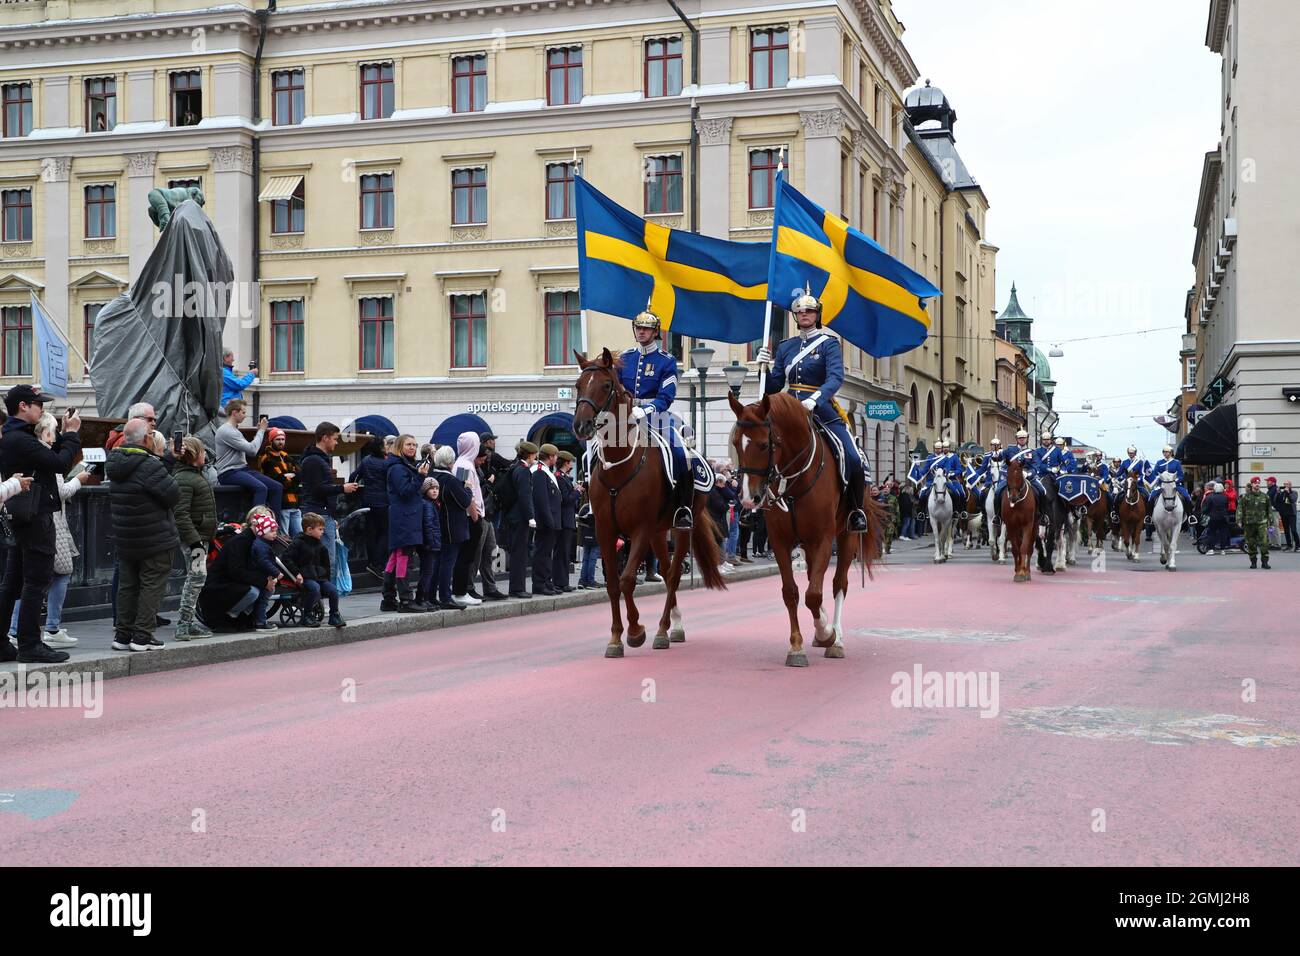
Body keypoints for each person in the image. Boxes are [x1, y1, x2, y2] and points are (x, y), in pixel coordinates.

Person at [756, 288, 869, 532]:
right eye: (800, 311)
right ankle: (755, 504)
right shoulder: (786, 347)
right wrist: (763, 368)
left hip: (821, 409)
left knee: (852, 456)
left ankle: (855, 510)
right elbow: (775, 385)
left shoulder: (829, 344)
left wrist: (814, 400)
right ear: (795, 316)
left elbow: (835, 378)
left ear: (817, 315)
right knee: (758, 445)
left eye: (809, 311)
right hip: (787, 408)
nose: (804, 314)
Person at [0, 385, 82, 665]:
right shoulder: (19, 439)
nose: (42, 408)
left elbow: (47, 459)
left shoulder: (16, 436)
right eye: (38, 404)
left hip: (23, 514)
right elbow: (59, 463)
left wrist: (61, 437)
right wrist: (71, 434)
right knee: (36, 581)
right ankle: (30, 644)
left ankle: (3, 643)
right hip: (35, 516)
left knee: (13, 583)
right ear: (23, 406)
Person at [106, 417, 180, 652]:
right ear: (146, 439)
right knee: (151, 585)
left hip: (127, 537)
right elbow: (172, 495)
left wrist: (165, 461)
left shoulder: (116, 461)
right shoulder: (148, 464)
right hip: (155, 537)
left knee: (127, 586)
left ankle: (123, 635)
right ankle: (142, 636)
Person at [620, 308, 695, 530]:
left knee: (681, 453)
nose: (641, 332)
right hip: (624, 417)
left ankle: (683, 507)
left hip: (657, 417)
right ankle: (591, 507)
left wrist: (647, 409)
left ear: (655, 333)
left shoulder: (666, 361)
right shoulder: (624, 359)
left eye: (646, 328)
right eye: (639, 328)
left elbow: (666, 395)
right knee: (591, 452)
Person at [297, 421, 360, 568]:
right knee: (327, 562)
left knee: (324, 561)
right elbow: (318, 489)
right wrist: (342, 488)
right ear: (325, 438)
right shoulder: (314, 460)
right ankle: (324, 591)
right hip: (319, 513)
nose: (336, 443)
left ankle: (323, 590)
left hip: (323, 513)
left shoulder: (318, 459)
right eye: (335, 438)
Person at [173, 436, 217, 640]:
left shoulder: (191, 476)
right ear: (194, 455)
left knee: (196, 579)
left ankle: (187, 623)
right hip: (195, 540)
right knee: (196, 579)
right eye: (202, 451)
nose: (205, 455)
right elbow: (181, 514)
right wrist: (195, 541)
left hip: (199, 538)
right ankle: (184, 624)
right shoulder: (185, 479)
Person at [383, 434, 433, 612]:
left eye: (414, 444)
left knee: (396, 557)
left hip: (406, 516)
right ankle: (405, 600)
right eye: (409, 444)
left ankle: (388, 598)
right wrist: (420, 477)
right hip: (404, 517)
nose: (412, 447)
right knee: (404, 557)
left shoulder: (403, 465)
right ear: (399, 446)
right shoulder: (397, 467)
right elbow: (405, 491)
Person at [215, 400, 283, 525]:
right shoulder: (226, 431)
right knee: (260, 488)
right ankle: (257, 526)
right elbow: (252, 450)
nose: (245, 415)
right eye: (243, 412)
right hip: (229, 472)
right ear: (234, 413)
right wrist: (261, 430)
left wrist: (259, 432)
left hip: (241, 469)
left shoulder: (234, 430)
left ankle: (274, 526)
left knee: (277, 487)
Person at [431, 445, 473, 610]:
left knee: (436, 563)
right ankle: (445, 597)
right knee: (447, 563)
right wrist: (467, 488)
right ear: (451, 462)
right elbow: (465, 501)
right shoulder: (450, 480)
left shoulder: (432, 476)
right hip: (452, 526)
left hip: (436, 525)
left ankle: (431, 595)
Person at [287, 513, 346, 628]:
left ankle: (334, 615)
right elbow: (287, 559)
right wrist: (296, 573)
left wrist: (326, 579)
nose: (322, 532)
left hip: (319, 577)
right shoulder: (298, 543)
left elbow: (326, 564)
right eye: (320, 529)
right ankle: (307, 615)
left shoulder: (320, 545)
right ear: (309, 530)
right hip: (305, 577)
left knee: (333, 590)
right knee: (314, 588)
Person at [352, 436, 397, 575]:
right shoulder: (386, 463)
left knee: (371, 533)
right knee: (385, 532)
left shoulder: (366, 461)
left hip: (368, 502)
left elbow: (353, 476)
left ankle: (371, 562)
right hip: (383, 502)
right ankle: (378, 563)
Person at [450, 432, 486, 606]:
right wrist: (475, 517)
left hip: (470, 516)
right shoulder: (464, 466)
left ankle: (461, 591)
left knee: (467, 557)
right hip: (470, 517)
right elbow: (466, 493)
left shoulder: (464, 464)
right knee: (466, 557)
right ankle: (460, 591)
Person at [502, 441, 538, 599]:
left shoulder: (515, 467)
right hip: (519, 517)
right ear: (530, 455)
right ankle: (517, 588)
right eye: (534, 454)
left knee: (517, 552)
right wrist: (530, 516)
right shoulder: (523, 471)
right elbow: (525, 496)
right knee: (519, 553)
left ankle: (516, 587)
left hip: (513, 515)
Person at [258, 427, 302, 537]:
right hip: (281, 504)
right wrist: (292, 476)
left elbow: (301, 474)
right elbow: (280, 480)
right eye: (278, 439)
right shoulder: (266, 458)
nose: (281, 442)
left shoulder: (286, 456)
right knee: (283, 538)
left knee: (300, 536)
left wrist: (291, 476)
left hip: (295, 504)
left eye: (283, 439)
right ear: (271, 440)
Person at [530, 443, 562, 595]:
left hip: (551, 520)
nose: (556, 459)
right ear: (550, 456)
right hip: (545, 522)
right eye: (555, 456)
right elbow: (542, 500)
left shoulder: (546, 471)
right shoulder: (539, 472)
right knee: (542, 553)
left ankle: (547, 581)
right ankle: (539, 583)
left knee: (547, 553)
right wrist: (549, 521)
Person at [413, 473, 442, 611]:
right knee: (427, 572)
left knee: (426, 571)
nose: (435, 491)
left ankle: (423, 598)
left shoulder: (430, 504)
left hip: (428, 543)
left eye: (436, 488)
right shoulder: (428, 505)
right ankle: (421, 598)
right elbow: (428, 525)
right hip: (429, 544)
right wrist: (431, 542)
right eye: (431, 488)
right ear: (425, 490)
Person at [552, 450, 579, 592]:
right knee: (562, 552)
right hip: (564, 520)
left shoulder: (564, 477)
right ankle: (560, 582)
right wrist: (578, 492)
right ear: (566, 463)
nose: (571, 465)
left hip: (567, 519)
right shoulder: (560, 477)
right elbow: (566, 499)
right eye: (570, 463)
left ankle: (563, 581)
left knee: (564, 552)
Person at [1239, 476, 1271, 569]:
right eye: (1255, 483)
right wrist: (1239, 520)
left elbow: (1269, 509)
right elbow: (1240, 508)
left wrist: (1271, 521)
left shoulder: (1265, 496)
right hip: (1249, 523)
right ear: (1252, 484)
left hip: (1262, 522)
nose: (1257, 484)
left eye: (1258, 483)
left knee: (1264, 543)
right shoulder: (1246, 497)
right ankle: (1253, 561)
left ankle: (1265, 562)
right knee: (1251, 543)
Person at [1202, 481, 1230, 554]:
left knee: (1211, 533)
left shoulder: (1209, 497)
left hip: (1213, 518)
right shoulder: (1225, 497)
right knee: (1223, 533)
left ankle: (1211, 549)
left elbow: (1205, 508)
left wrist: (1205, 513)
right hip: (1223, 517)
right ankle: (1222, 549)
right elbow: (1227, 507)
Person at [1274, 480, 1297, 552]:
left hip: (1291, 514)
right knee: (1286, 530)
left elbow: (1292, 500)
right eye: (1284, 484)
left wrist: (1288, 492)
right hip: (1284, 514)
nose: (1285, 486)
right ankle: (1289, 545)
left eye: (1286, 484)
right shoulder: (1282, 493)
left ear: (1290, 485)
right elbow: (1276, 500)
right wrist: (1277, 493)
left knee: (1293, 530)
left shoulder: (1294, 492)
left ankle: (1298, 545)